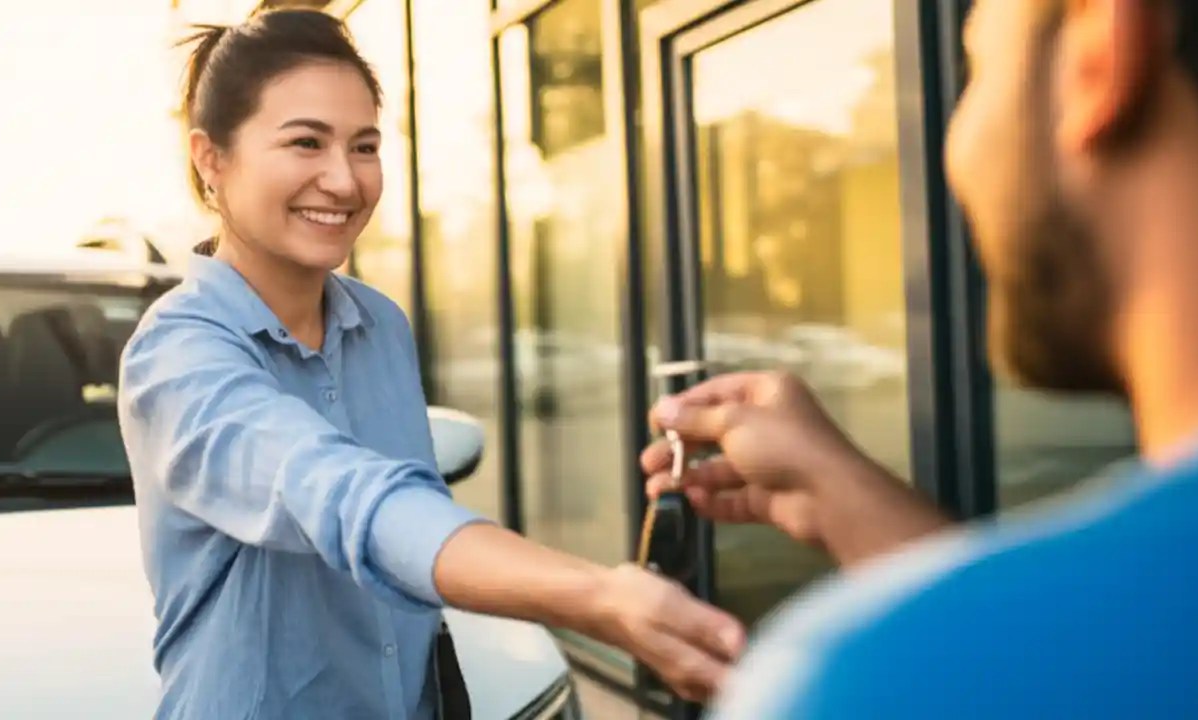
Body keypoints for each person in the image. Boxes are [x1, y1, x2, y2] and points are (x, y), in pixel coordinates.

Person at [117, 10, 743, 719]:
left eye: (364, 146)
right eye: (304, 143)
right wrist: (599, 598)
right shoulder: (177, 354)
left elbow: (406, 506)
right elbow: (342, 496)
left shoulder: (380, 324)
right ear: (212, 158)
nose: (345, 181)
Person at [641, 0, 1198, 716]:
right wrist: (841, 495)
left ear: (1100, 54)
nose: (957, 152)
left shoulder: (850, 683)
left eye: (978, 64)